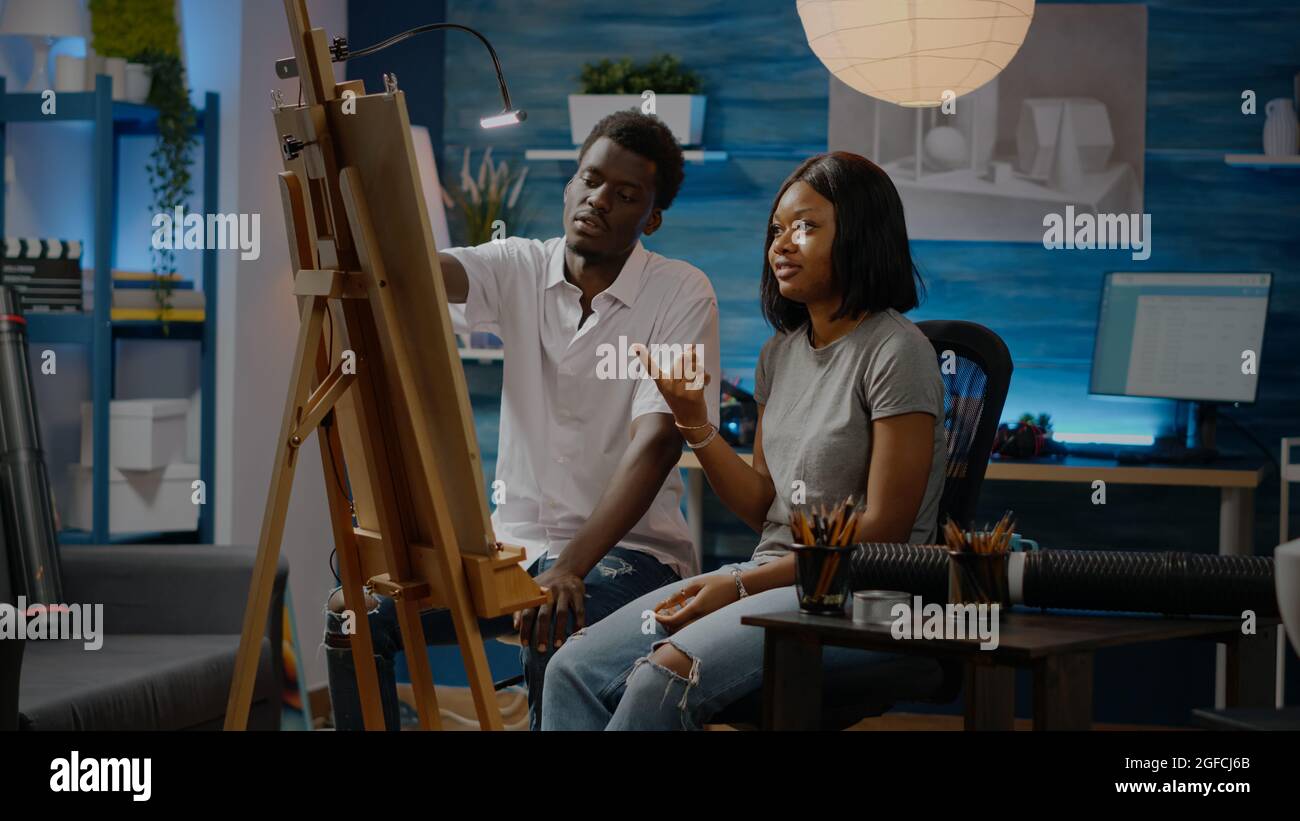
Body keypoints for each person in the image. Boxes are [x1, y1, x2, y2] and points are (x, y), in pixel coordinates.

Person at [324, 111, 720, 731]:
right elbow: (422, 274)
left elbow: (658, 444)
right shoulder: (520, 265)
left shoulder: (681, 292)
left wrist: (571, 567)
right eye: (590, 180)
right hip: (512, 549)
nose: (598, 200)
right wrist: (352, 197)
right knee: (356, 614)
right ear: (570, 184)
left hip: (632, 555)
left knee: (554, 620)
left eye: (626, 195)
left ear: (653, 217)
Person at [541, 151, 946, 730]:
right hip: (771, 576)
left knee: (663, 679)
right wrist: (692, 420)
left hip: (862, 594)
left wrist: (736, 582)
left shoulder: (896, 351)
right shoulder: (778, 354)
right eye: (776, 230)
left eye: (806, 227)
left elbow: (884, 531)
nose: (782, 244)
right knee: (573, 666)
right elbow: (765, 506)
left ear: (861, 232)